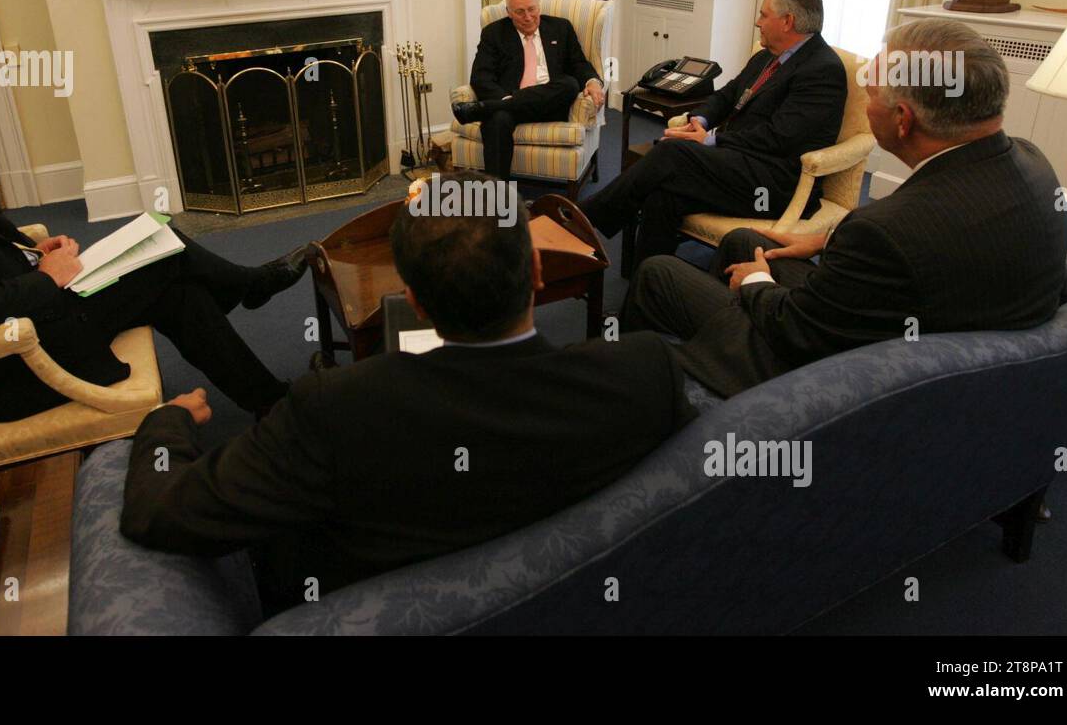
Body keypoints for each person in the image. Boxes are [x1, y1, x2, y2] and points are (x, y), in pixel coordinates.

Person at [121, 170, 696, 614]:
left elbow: (159, 515)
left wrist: (164, 426)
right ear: (539, 273)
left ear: (414, 302)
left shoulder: (331, 410)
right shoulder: (647, 371)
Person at [0, 44, 306, 421]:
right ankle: (249, 290)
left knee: (173, 279)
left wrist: (30, 246)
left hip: (34, 299)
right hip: (10, 358)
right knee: (166, 255)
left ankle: (271, 399)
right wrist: (47, 278)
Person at [621, 18, 1067, 398]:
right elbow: (932, 236)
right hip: (917, 341)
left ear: (902, 119)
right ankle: (717, 336)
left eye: (871, 96)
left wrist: (755, 283)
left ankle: (657, 381)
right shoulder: (1033, 164)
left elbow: (797, 330)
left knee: (660, 272)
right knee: (745, 240)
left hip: (832, 378)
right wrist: (823, 239)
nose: (865, 107)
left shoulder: (885, 232)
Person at [580, 0, 848, 265]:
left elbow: (778, 137)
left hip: (774, 185)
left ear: (787, 21)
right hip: (737, 165)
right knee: (662, 195)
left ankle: (582, 220)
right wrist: (701, 121)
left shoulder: (823, 70)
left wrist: (711, 140)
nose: (758, 22)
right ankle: (646, 296)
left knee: (672, 151)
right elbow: (728, 94)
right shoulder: (767, 57)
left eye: (764, 14)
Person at [451, 0, 606, 180]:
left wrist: (593, 81)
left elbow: (578, 64)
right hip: (509, 109)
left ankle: (485, 108)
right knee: (496, 121)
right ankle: (498, 200)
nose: (528, 17)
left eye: (532, 9)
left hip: (550, 105)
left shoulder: (561, 27)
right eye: (520, 12)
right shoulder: (494, 33)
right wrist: (505, 100)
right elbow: (481, 78)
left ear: (539, 5)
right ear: (508, 12)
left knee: (568, 84)